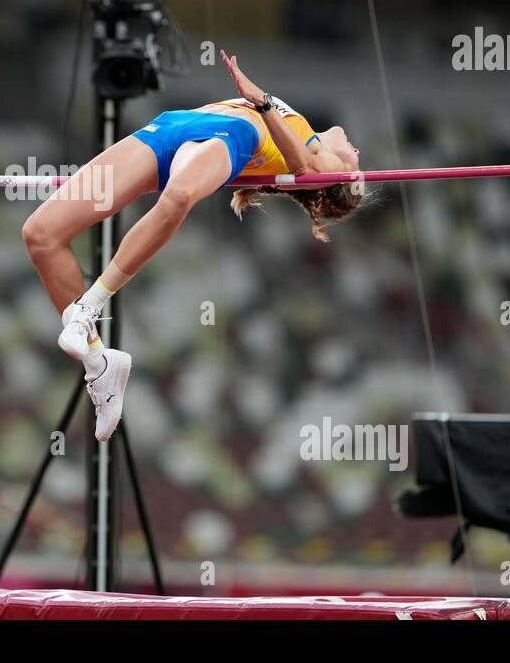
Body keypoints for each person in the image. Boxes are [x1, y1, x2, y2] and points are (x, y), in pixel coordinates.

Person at [22, 51, 366, 440]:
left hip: (229, 137)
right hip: (174, 128)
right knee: (41, 235)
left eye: (357, 160)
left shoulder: (329, 164)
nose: (356, 149)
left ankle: (90, 306)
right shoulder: (315, 138)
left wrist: (264, 102)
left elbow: (304, 169)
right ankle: (101, 363)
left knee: (179, 196)